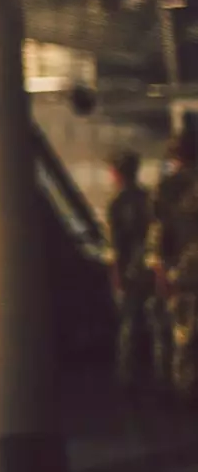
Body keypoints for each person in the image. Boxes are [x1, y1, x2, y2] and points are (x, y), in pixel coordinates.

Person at [152, 127, 198, 403]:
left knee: (183, 336)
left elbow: (159, 235)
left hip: (182, 273)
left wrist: (161, 275)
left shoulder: (166, 188)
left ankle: (186, 391)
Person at [107, 151, 151, 392]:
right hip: (148, 268)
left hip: (129, 271)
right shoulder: (148, 197)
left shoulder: (117, 203)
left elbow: (115, 247)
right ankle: (156, 375)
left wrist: (116, 277)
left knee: (128, 324)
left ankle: (127, 376)